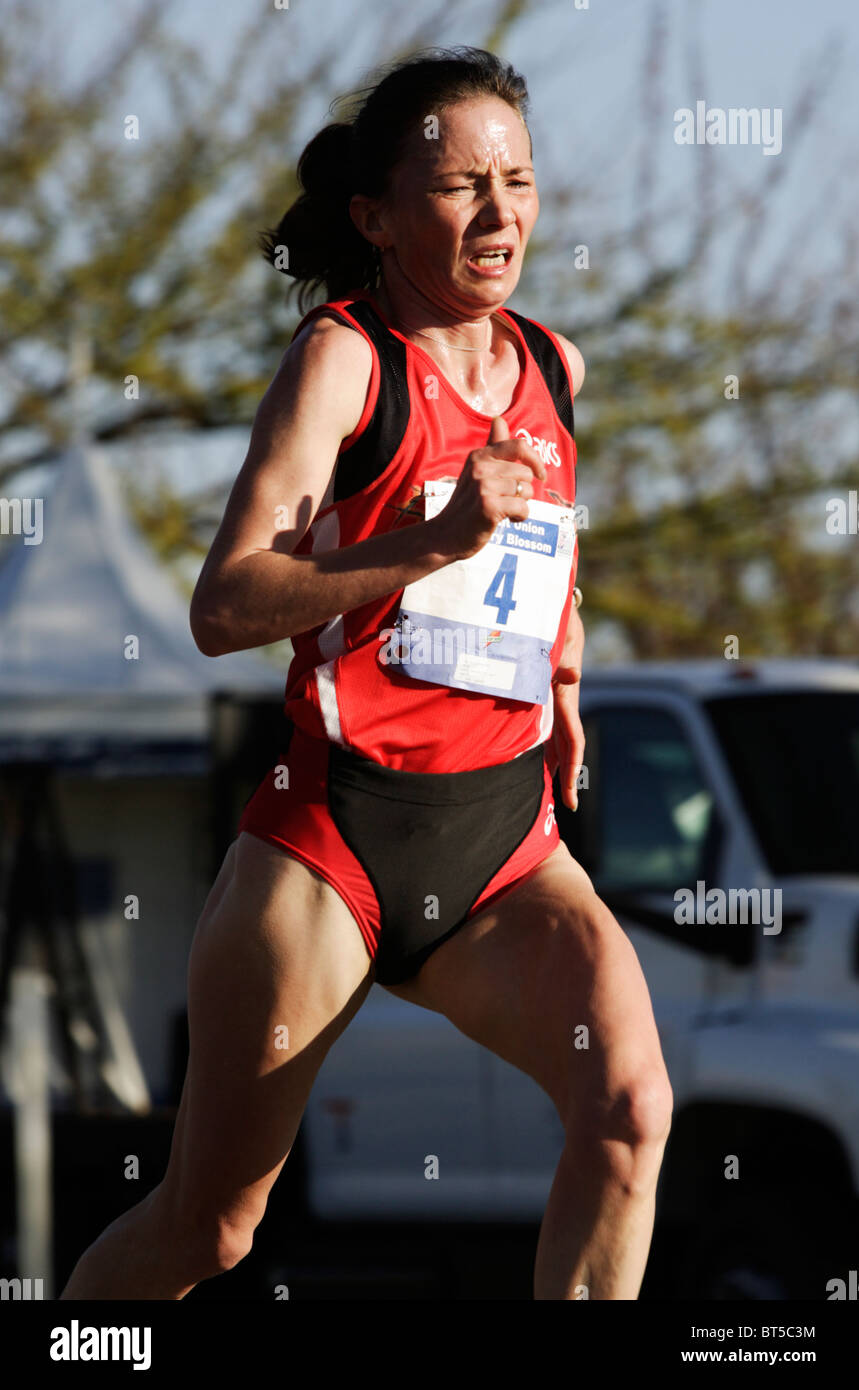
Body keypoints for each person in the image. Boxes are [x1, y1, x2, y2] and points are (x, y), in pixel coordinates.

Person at [59, 45, 672, 1302]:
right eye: (459, 189)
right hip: (330, 841)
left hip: (503, 841)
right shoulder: (346, 361)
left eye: (520, 179)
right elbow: (225, 604)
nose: (499, 214)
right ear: (377, 217)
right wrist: (430, 539)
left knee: (627, 1113)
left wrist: (560, 688)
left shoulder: (555, 370)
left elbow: (542, 555)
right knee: (211, 1227)